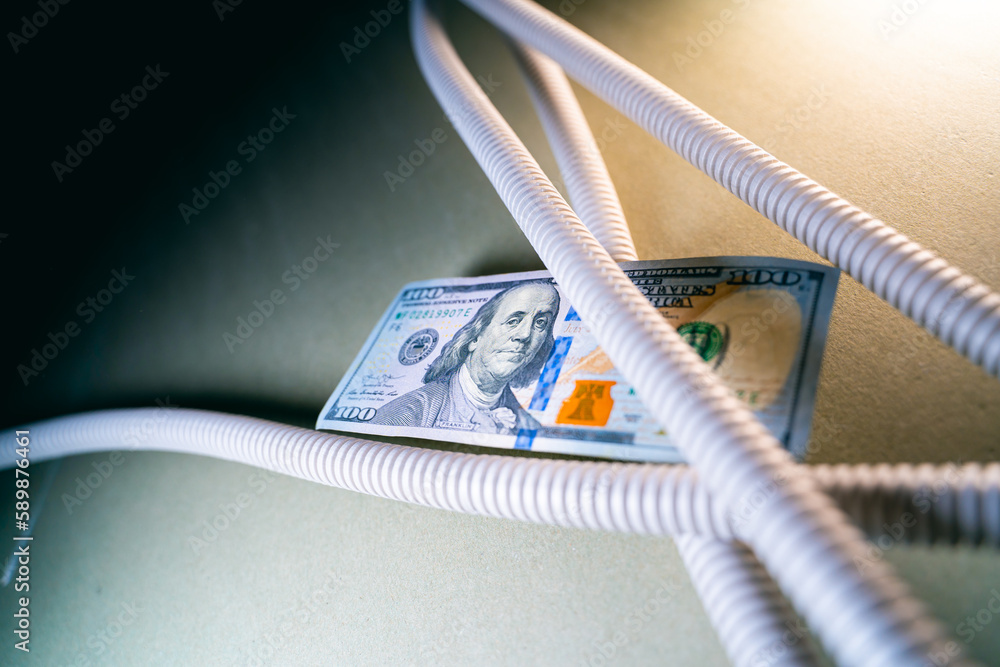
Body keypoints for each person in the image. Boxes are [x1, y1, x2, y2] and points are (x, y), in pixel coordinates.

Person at [371, 281, 560, 434]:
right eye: (513, 321)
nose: (525, 334)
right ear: (475, 338)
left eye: (540, 323)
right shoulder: (409, 413)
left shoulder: (530, 428)